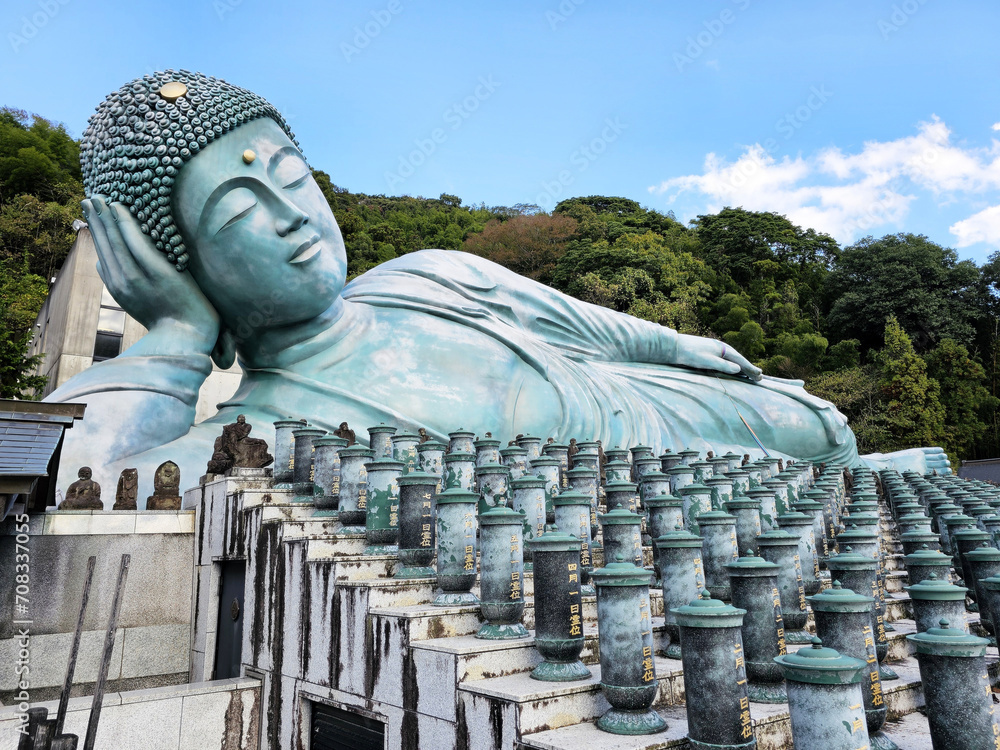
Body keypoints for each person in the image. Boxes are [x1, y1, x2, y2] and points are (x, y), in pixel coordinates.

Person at [48, 70, 949, 502]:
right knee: (772, 467)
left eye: (292, 174)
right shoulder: (259, 428)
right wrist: (171, 338)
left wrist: (681, 346)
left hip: (640, 399)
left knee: (818, 420)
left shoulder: (427, 275)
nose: (292, 213)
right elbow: (88, 485)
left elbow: (595, 329)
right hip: (622, 494)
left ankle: (848, 472)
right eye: (242, 209)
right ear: (183, 265)